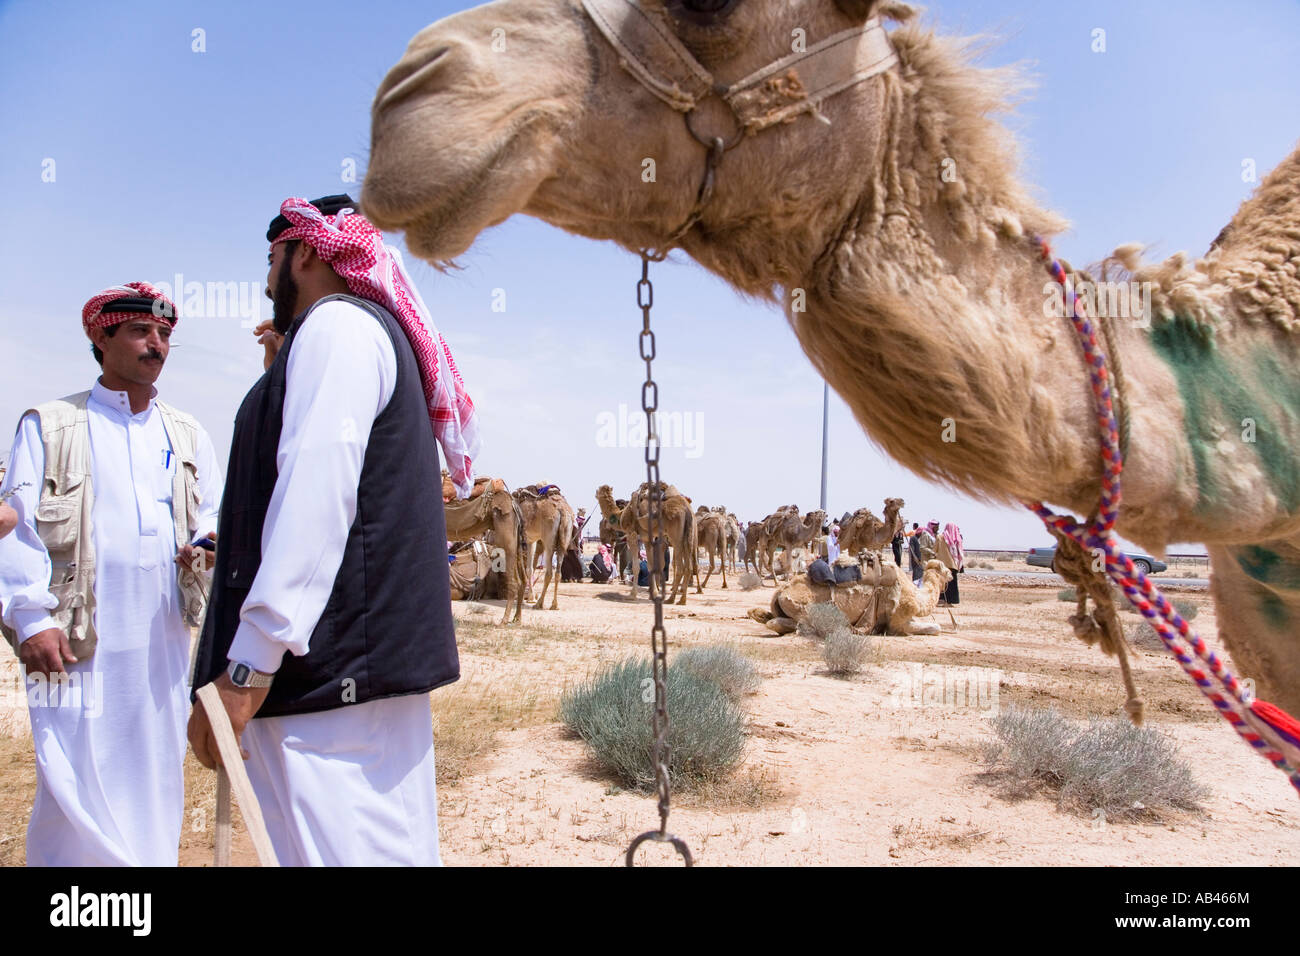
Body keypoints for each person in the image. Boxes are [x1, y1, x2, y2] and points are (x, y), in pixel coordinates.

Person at [187, 194, 479, 866]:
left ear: (308, 251)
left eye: (272, 260)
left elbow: (315, 505)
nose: (265, 281)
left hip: (330, 690)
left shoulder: (338, 328)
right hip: (344, 686)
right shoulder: (349, 334)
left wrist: (245, 667)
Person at [0, 282, 221, 866]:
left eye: (166, 335)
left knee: (152, 762)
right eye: (141, 332)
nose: (157, 345)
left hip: (161, 634)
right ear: (101, 337)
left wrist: (206, 544)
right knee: (71, 763)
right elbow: (15, 527)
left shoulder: (187, 432)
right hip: (73, 635)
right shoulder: (49, 424)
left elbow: (212, 513)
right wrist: (30, 618)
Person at [936, 522, 964, 606]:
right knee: (952, 585)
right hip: (953, 565)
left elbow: (935, 550)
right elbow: (960, 553)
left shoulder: (940, 537)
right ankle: (949, 602)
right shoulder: (956, 539)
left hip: (942, 565)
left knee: (943, 584)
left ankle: (942, 600)